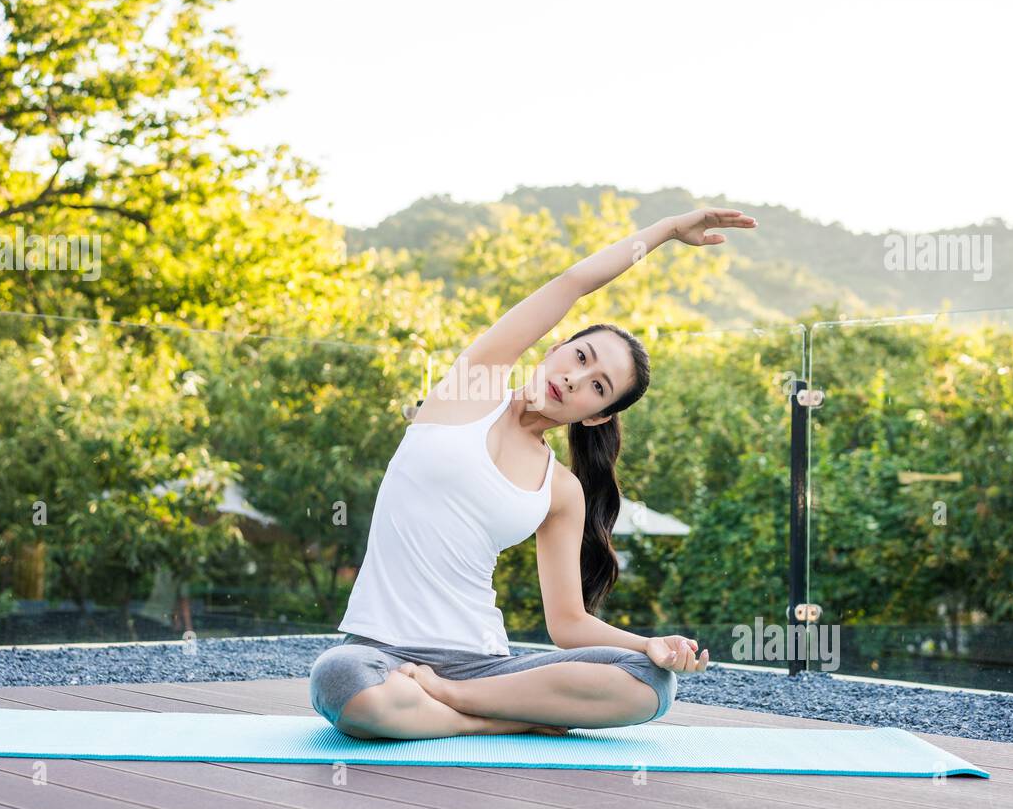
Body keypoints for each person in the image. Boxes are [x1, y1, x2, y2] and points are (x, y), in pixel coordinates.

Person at [310, 206, 758, 739]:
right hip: (381, 655)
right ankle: (496, 722)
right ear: (554, 349)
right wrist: (663, 232)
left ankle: (455, 704)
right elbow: (572, 283)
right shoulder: (469, 388)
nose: (576, 380)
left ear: (598, 415)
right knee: (341, 681)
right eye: (581, 358)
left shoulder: (562, 489)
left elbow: (567, 625)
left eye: (598, 386)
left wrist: (650, 647)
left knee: (650, 684)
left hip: (483, 667)